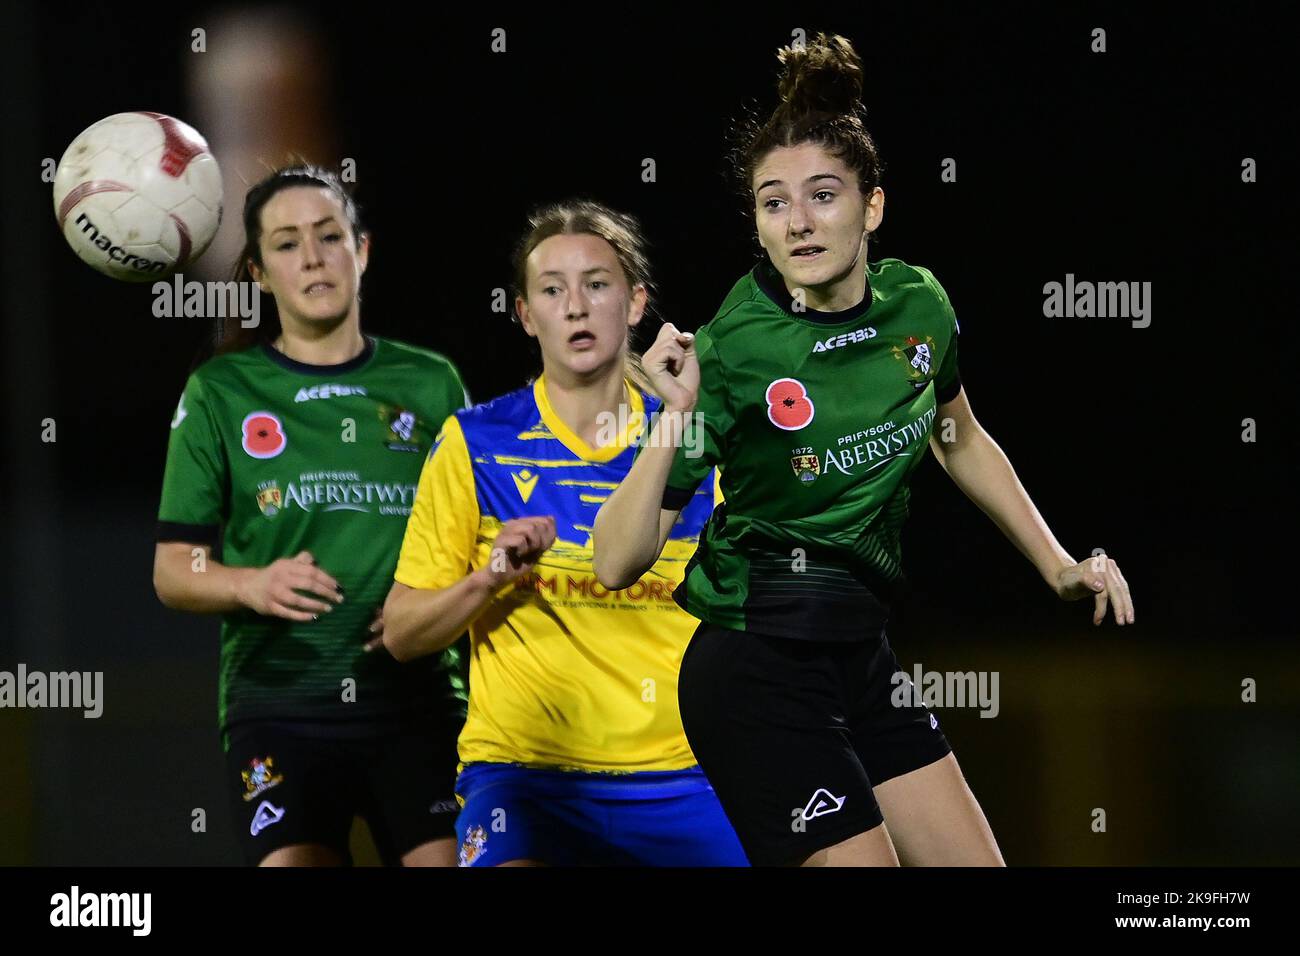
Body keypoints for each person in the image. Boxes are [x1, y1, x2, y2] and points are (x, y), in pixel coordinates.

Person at [592, 33, 1135, 867]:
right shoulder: (733, 351)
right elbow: (617, 561)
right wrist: (671, 419)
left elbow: (959, 434)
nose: (798, 221)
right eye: (774, 203)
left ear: (872, 206)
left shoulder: (918, 307)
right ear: (759, 226)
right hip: (755, 668)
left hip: (860, 655)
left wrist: (1057, 564)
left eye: (822, 195)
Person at [383, 199, 747, 866]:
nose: (576, 306)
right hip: (523, 777)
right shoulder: (477, 443)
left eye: (597, 285)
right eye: (552, 290)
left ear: (637, 303)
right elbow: (403, 635)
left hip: (684, 778)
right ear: (526, 314)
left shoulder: (693, 445)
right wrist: (490, 578)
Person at [153, 165, 469, 866]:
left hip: (418, 704)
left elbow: (475, 537)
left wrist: (433, 604)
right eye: (288, 244)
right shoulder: (221, 391)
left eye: (330, 236)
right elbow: (175, 570)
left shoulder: (430, 380)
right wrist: (250, 584)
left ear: (362, 251)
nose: (314, 257)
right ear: (260, 272)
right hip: (282, 709)